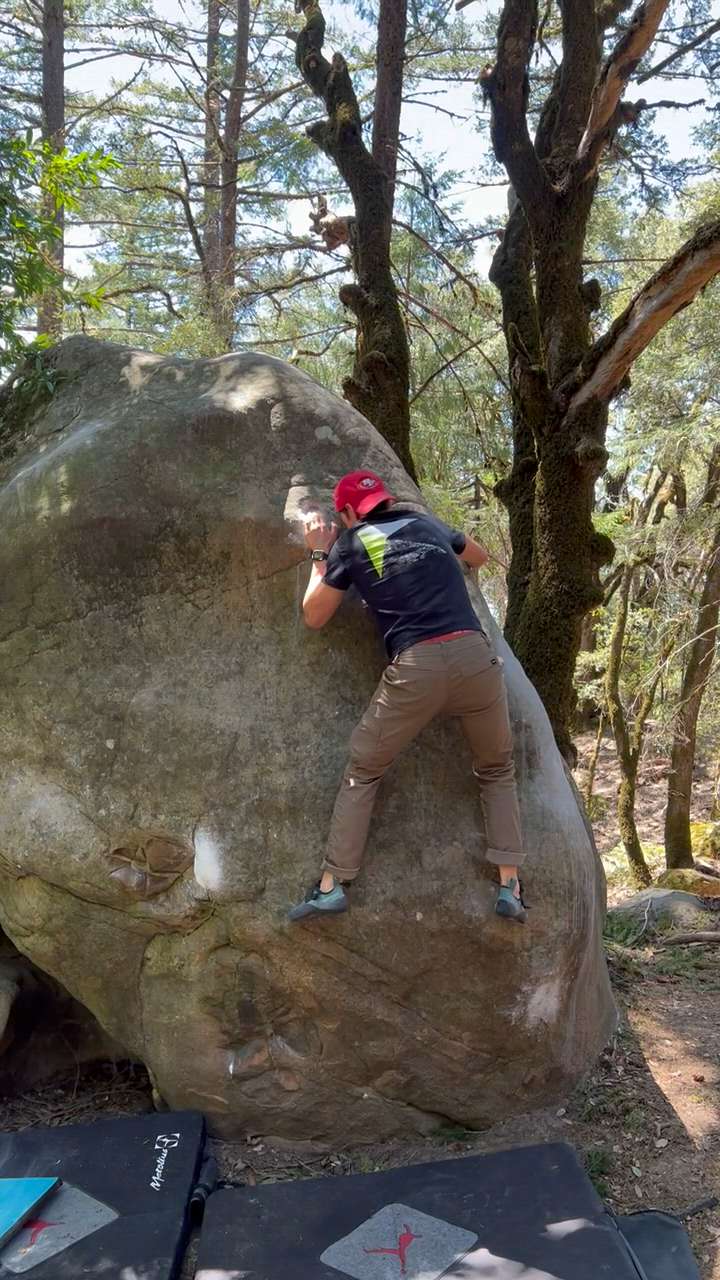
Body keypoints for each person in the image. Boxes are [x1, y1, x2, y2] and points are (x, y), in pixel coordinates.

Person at [289, 469, 527, 924]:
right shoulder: (427, 525)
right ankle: (510, 885)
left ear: (346, 513)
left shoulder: (352, 544)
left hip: (418, 666)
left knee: (364, 768)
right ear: (388, 498)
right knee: (496, 769)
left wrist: (319, 552)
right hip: (476, 658)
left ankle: (332, 886)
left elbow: (314, 615)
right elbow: (479, 556)